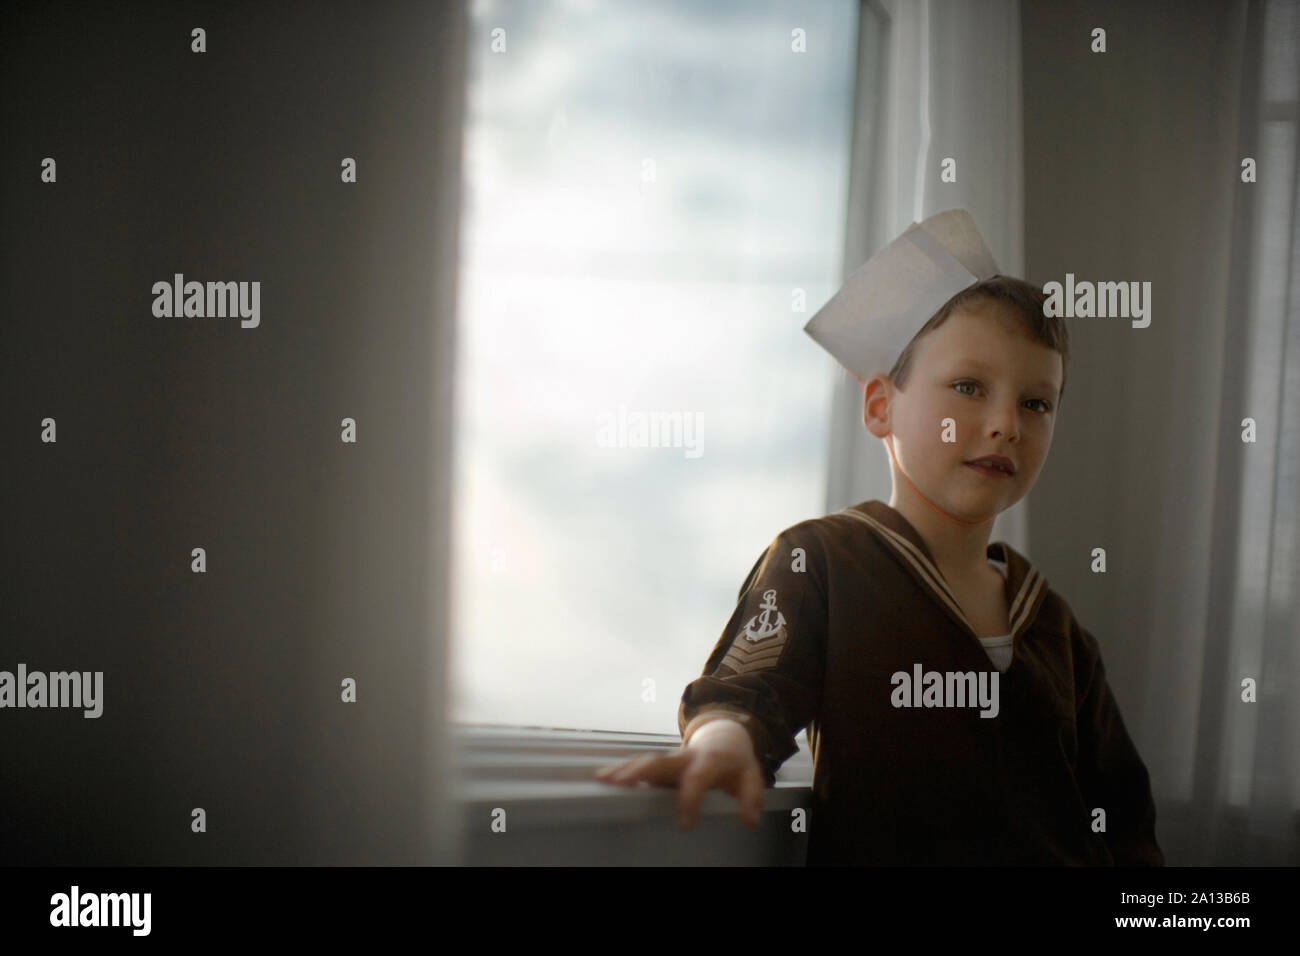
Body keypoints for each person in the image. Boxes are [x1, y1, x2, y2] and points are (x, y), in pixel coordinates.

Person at [595, 209, 1163, 865]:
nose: (1006, 422)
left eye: (1036, 402)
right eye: (968, 387)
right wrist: (721, 745)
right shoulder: (825, 561)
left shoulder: (1057, 627)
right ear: (879, 406)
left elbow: (1124, 819)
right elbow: (750, 689)